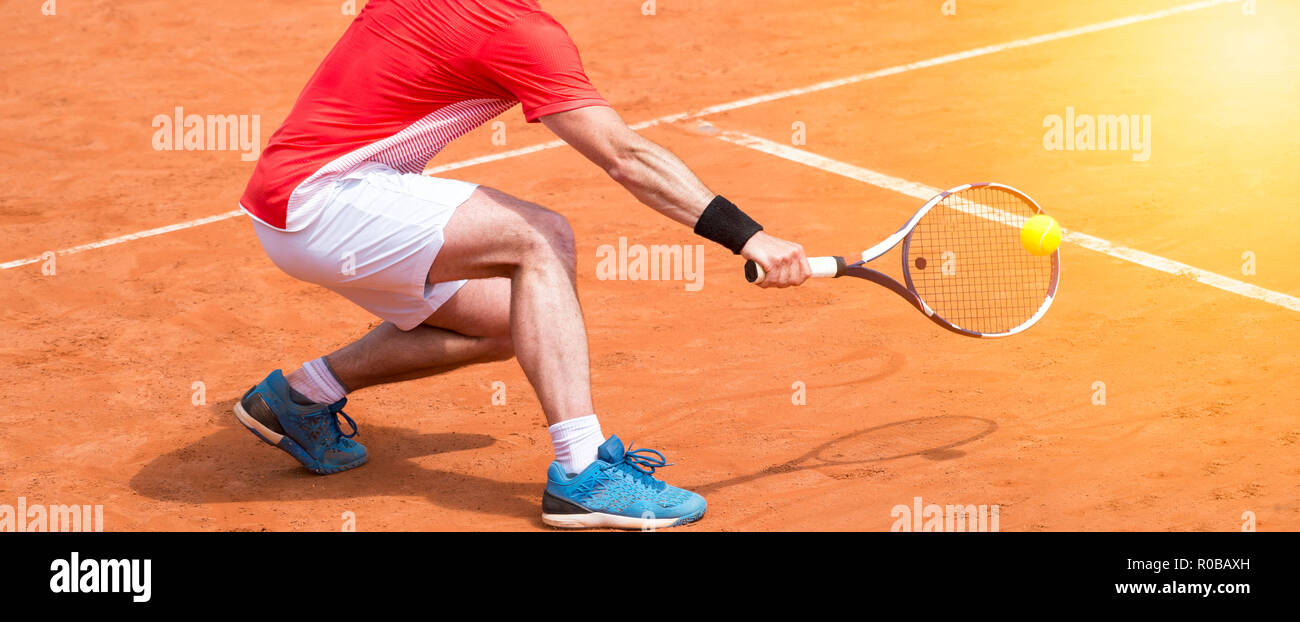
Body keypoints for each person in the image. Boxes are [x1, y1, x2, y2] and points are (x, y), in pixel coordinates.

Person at [234, 0, 810, 529]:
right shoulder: (519, 30)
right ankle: (583, 472)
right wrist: (749, 237)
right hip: (325, 203)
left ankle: (302, 395)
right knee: (540, 237)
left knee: (512, 319)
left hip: (293, 210)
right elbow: (626, 157)